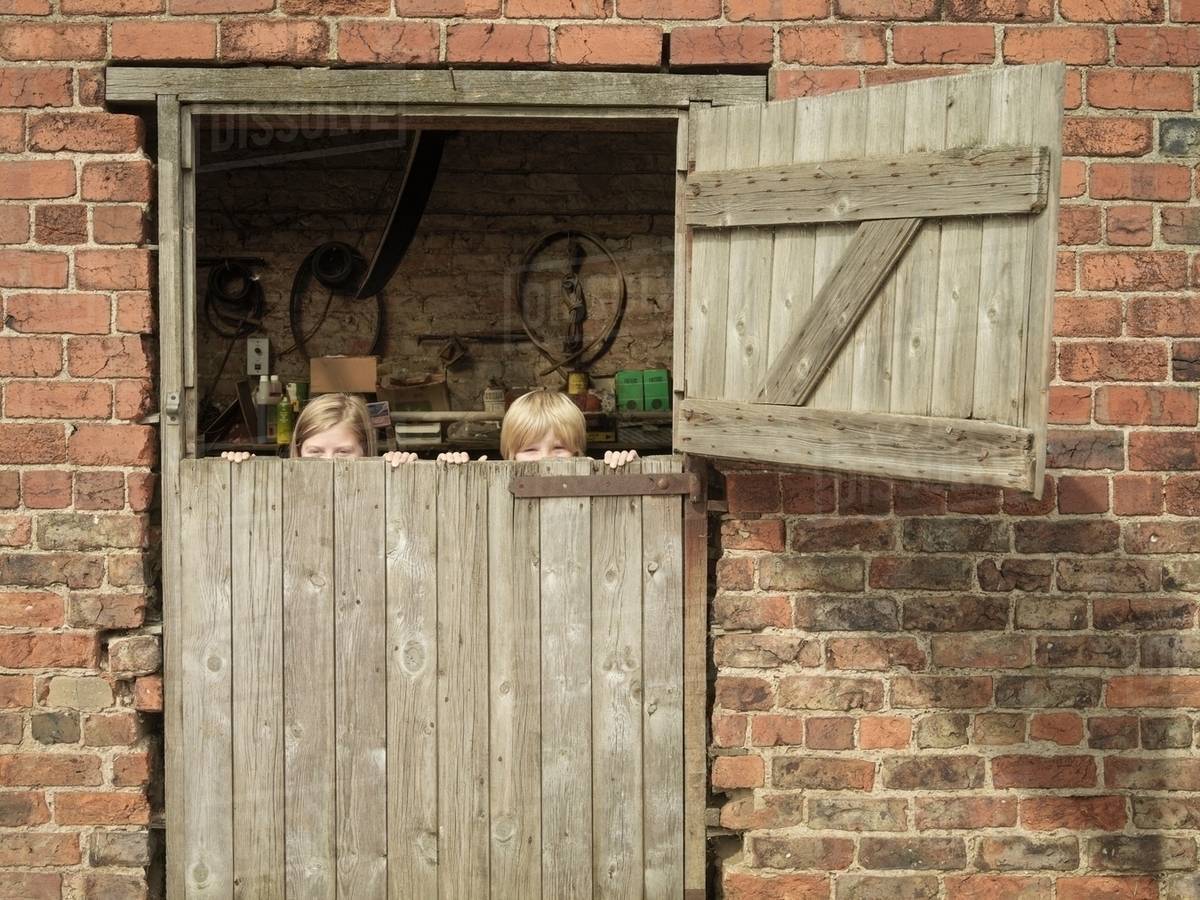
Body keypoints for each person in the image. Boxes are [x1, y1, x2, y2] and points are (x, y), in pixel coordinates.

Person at [221, 392, 416, 466]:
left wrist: (403, 472)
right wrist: (244, 473)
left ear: (364, 450)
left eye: (343, 452)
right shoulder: (277, 492)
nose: (329, 462)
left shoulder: (381, 490)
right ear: (297, 450)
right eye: (315, 452)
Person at [498, 388, 637, 468]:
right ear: (511, 457)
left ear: (577, 453)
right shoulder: (498, 491)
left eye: (559, 448)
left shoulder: (590, 480)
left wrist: (627, 467)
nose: (545, 459)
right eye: (530, 449)